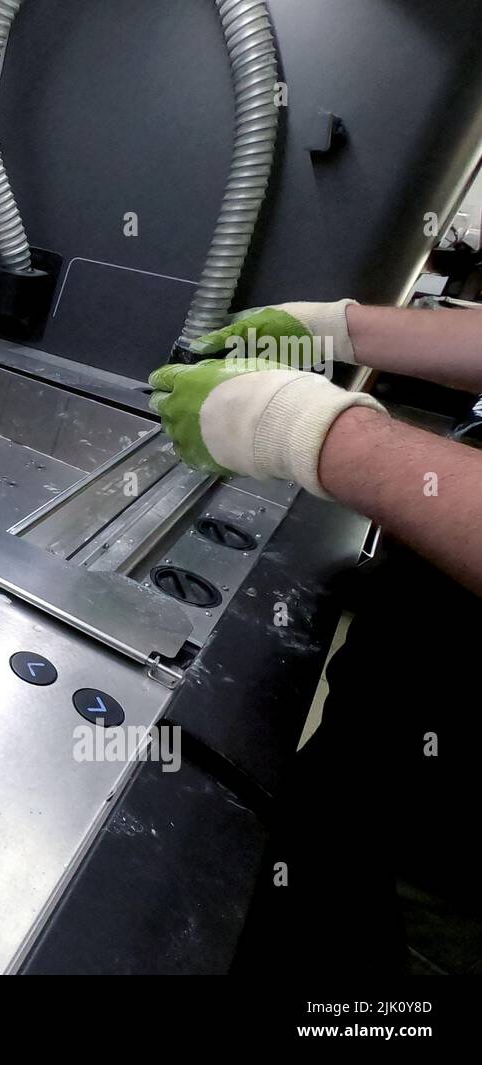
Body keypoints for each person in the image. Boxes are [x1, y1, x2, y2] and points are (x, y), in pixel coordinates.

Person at [150, 300, 482, 974]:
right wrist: (338, 326)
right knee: (324, 847)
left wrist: (302, 428)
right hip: (400, 715)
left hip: (458, 834)